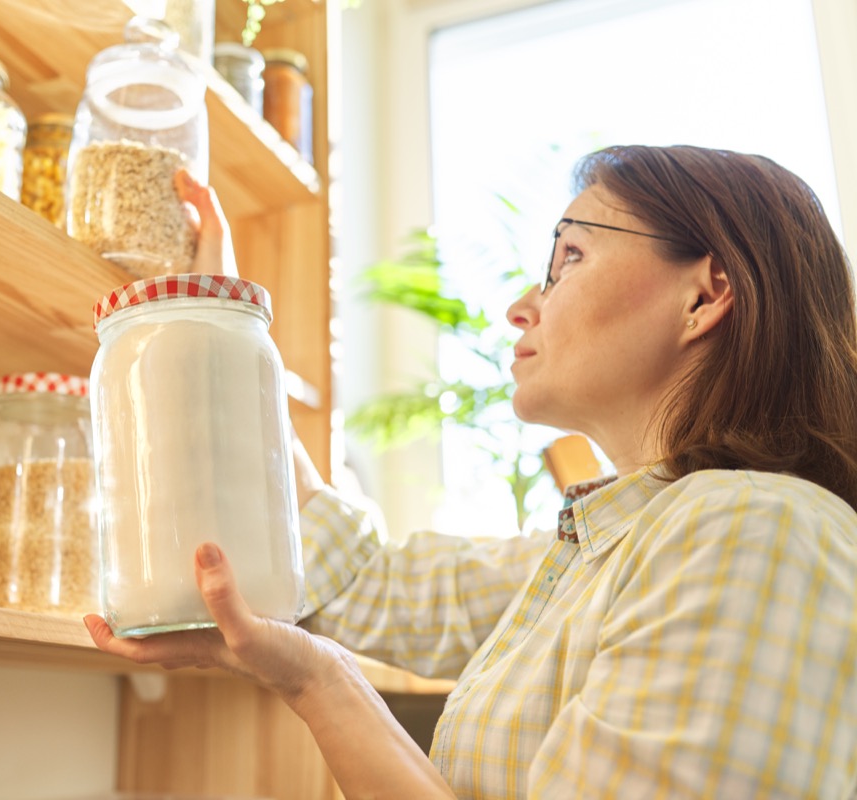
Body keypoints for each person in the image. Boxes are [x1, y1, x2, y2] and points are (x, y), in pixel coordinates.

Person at [86, 145, 857, 798]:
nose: (523, 305)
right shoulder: (609, 550)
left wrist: (318, 684)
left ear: (706, 294)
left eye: (570, 260)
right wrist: (222, 323)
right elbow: (359, 582)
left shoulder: (754, 533)